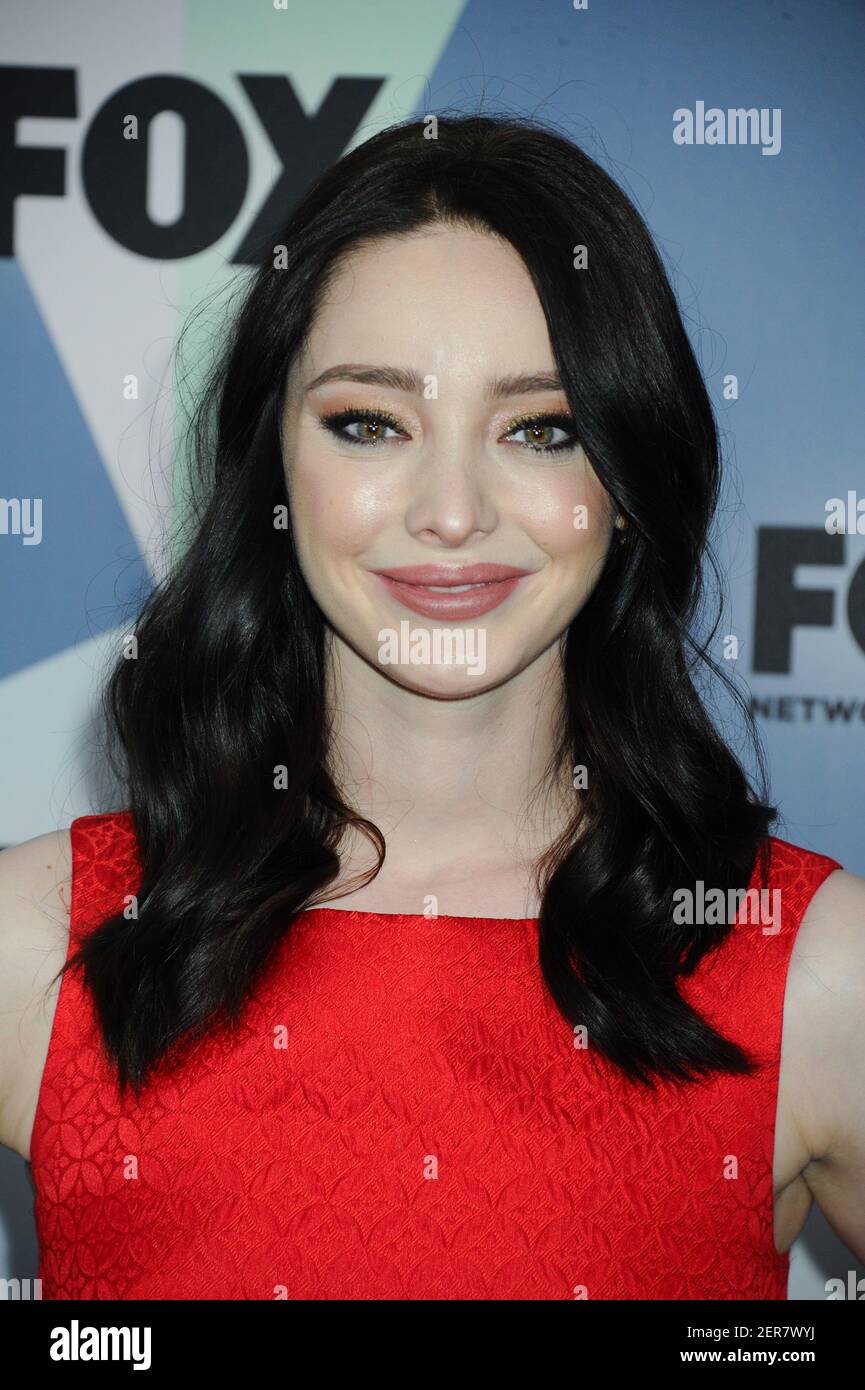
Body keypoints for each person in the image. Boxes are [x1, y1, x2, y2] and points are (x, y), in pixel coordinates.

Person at [0, 112, 862, 1300]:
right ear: (271, 463)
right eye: (369, 423)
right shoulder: (39, 941)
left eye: (539, 428)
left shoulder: (819, 972)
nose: (450, 510)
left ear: (625, 478)